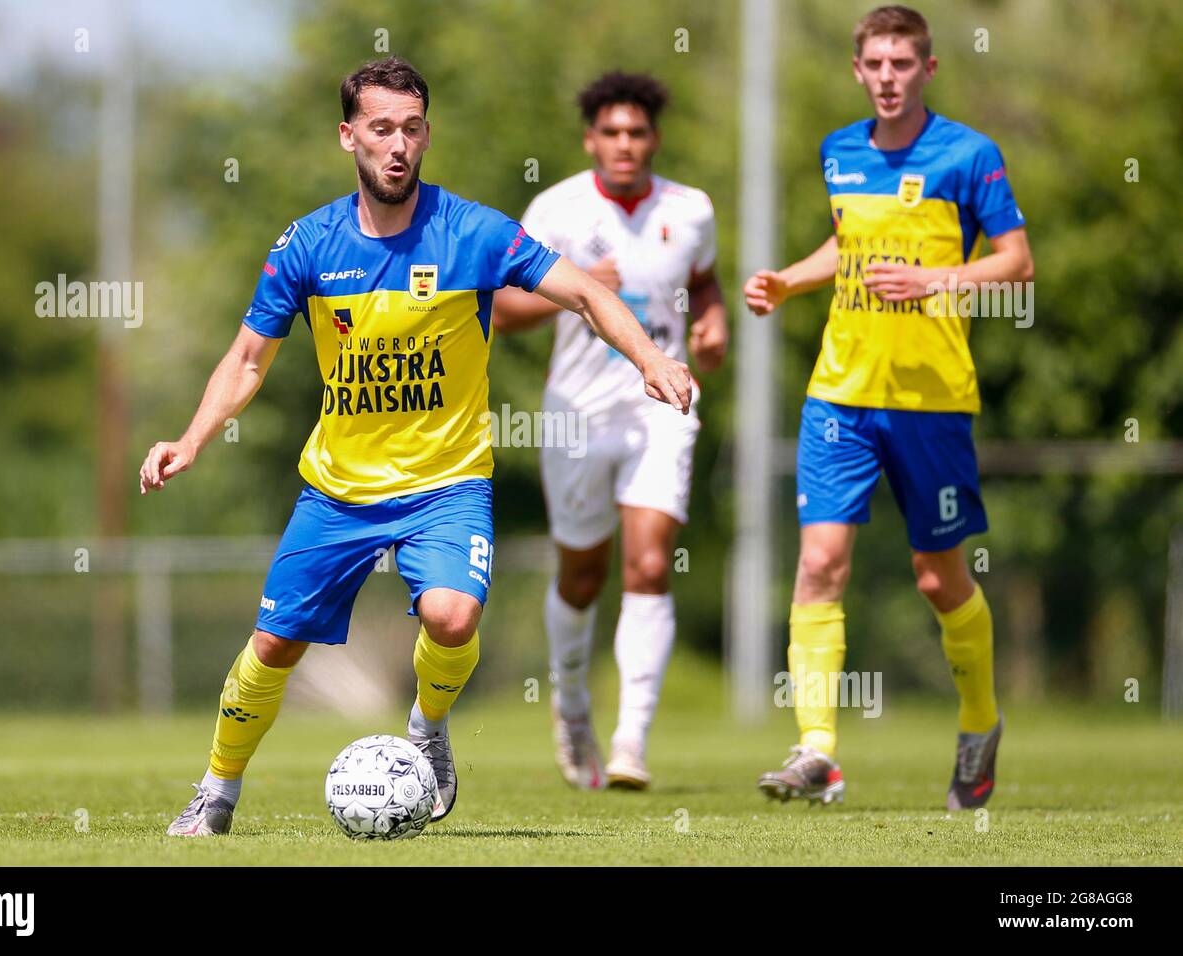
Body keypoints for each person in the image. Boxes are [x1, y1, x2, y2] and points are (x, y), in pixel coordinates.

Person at [141, 56, 693, 835]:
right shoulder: (306, 244)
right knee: (272, 647)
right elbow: (247, 358)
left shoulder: (474, 232)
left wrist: (651, 358)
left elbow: (587, 293)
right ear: (348, 137)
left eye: (410, 128)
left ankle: (427, 728)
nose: (397, 145)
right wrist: (193, 437)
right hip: (337, 486)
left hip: (446, 483)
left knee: (453, 616)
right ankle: (216, 792)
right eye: (379, 129)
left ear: (426, 133)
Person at [744, 5, 1033, 809]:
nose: (886, 77)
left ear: (928, 69)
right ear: (857, 69)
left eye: (902, 64)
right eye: (874, 63)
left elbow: (1015, 261)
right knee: (818, 563)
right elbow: (850, 247)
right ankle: (817, 753)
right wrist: (789, 280)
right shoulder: (840, 151)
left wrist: (938, 280)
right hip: (840, 393)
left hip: (931, 402)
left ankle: (979, 723)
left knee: (938, 580)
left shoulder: (970, 155)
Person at [493, 71, 726, 790]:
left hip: (661, 402)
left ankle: (631, 741)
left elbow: (706, 281)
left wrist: (712, 322)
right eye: (612, 132)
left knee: (651, 565)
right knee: (583, 573)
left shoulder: (691, 210)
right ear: (591, 138)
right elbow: (501, 305)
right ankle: (571, 708)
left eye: (638, 132)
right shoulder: (557, 207)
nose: (625, 144)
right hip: (576, 412)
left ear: (654, 139)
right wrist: (578, 286)